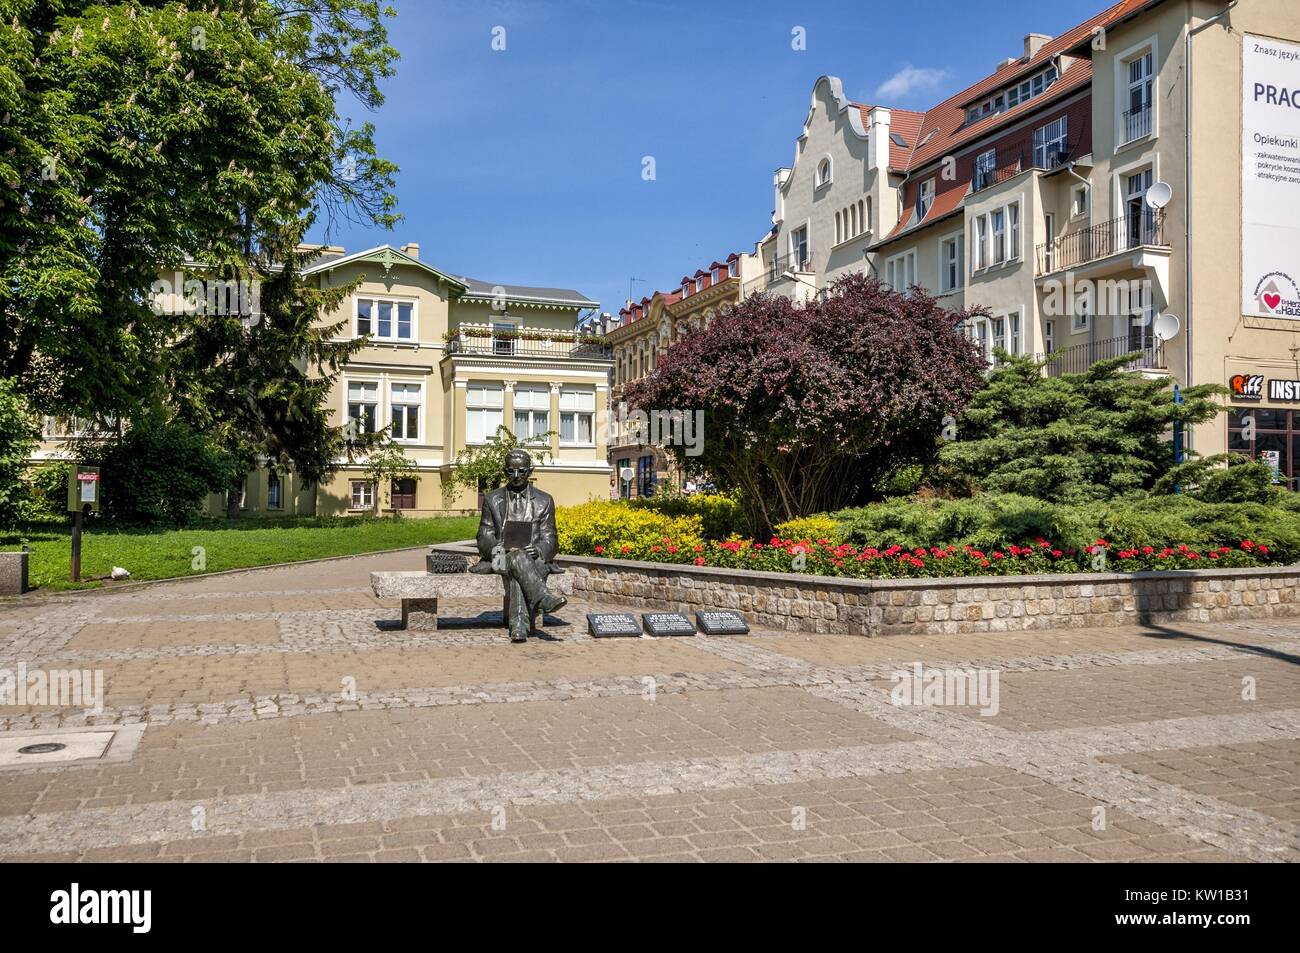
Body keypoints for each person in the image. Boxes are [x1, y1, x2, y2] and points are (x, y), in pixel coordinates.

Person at [470, 449, 567, 642]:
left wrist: (539, 549)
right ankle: (542, 598)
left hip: (533, 559)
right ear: (504, 471)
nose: (515, 476)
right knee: (516, 558)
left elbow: (551, 538)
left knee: (519, 566)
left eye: (521, 471)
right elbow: (483, 536)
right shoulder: (492, 499)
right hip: (500, 558)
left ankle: (519, 628)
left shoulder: (544, 500)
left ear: (530, 471)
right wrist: (501, 546)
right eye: (510, 471)